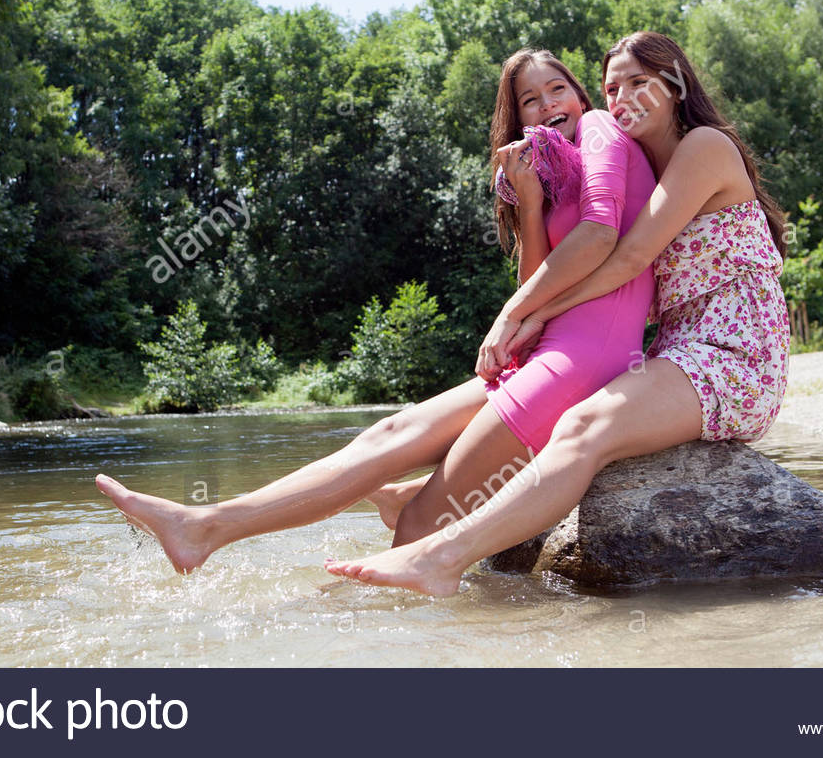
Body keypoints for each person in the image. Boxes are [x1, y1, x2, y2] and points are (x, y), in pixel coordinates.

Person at [94, 48, 655, 572]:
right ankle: (204, 526)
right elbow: (539, 279)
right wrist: (530, 203)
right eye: (530, 100)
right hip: (543, 355)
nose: (548, 105)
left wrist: (508, 315)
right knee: (387, 434)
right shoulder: (553, 173)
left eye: (559, 89)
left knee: (421, 521)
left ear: (581, 96)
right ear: (517, 118)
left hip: (584, 362)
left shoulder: (600, 129)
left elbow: (600, 236)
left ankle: (349, 635)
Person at [324, 31, 791, 595]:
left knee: (581, 426)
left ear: (675, 84)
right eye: (612, 89)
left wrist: (531, 316)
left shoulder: (705, 147)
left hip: (736, 357)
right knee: (555, 407)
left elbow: (629, 257)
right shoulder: (638, 160)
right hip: (674, 352)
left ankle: (441, 559)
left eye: (640, 83)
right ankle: (424, 499)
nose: (622, 100)